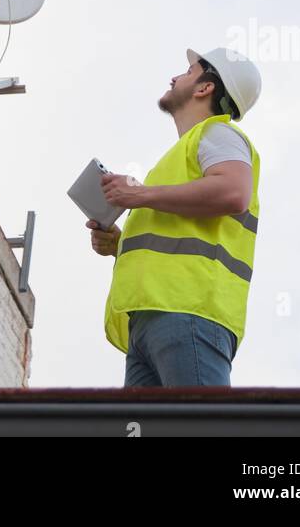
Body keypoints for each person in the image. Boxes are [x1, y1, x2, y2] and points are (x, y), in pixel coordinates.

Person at [89, 47, 261, 387]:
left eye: (188, 71)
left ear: (204, 88)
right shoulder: (180, 157)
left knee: (200, 426)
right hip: (151, 320)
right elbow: (178, 235)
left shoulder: (218, 134)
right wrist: (119, 246)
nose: (175, 77)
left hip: (188, 313)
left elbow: (233, 193)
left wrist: (137, 194)